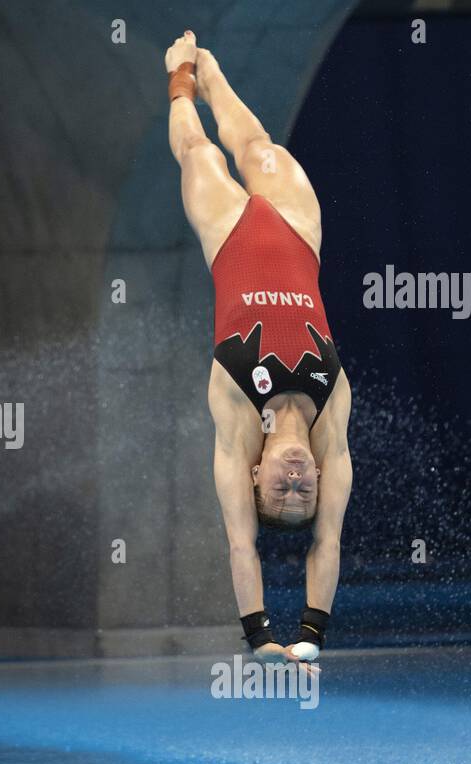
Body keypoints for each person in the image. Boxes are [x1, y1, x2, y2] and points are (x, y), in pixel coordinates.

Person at [165, 32, 353, 663]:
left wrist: (263, 638)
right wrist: (313, 636)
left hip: (231, 242)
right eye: (305, 492)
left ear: (255, 476)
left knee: (199, 154)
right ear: (320, 478)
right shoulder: (333, 422)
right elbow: (327, 541)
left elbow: (241, 546)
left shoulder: (237, 421)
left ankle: (183, 78)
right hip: (300, 237)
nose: (296, 484)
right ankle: (215, 75)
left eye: (281, 493)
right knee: (260, 150)